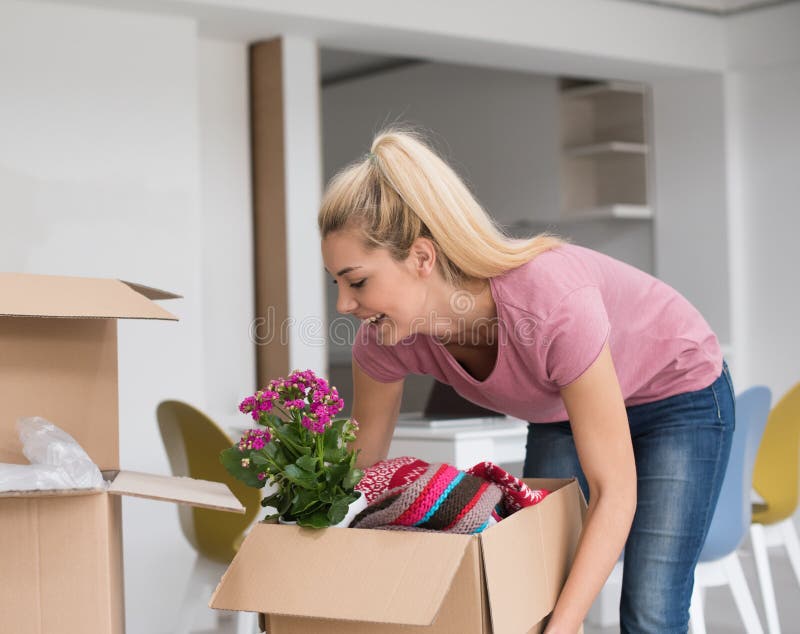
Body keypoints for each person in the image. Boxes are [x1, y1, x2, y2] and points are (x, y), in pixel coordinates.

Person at [318, 126, 734, 634]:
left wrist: (565, 626)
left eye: (357, 281)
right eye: (336, 282)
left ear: (422, 258)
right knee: (532, 592)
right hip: (563, 407)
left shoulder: (550, 304)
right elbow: (358, 477)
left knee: (650, 609)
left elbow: (615, 490)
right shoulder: (384, 339)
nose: (343, 304)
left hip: (678, 393)